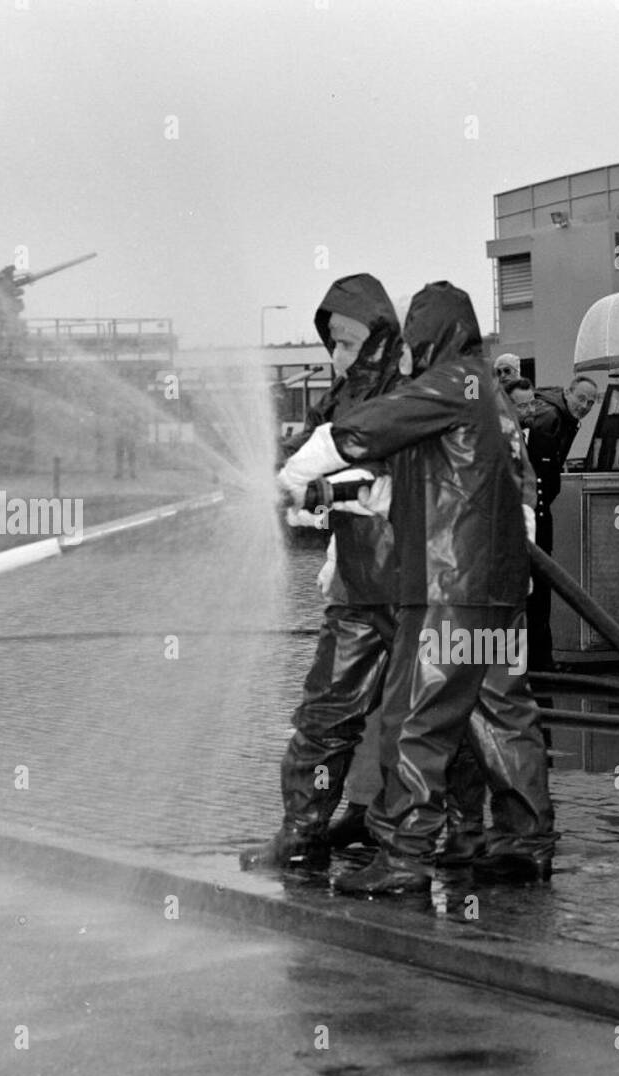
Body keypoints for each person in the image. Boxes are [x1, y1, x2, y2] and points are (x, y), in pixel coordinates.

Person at [280, 282, 556, 897]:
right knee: (501, 715)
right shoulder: (485, 396)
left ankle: (404, 857)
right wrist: (334, 496)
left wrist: (300, 468)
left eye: (411, 341)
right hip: (494, 593)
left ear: (433, 336)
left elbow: (364, 432)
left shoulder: (453, 382)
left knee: (416, 720)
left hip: (447, 587)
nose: (403, 355)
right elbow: (414, 483)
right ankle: (524, 843)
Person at [239, 273, 407, 872]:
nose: (336, 355)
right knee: (326, 712)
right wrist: (270, 479)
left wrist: (313, 489)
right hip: (359, 586)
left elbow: (381, 474)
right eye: (332, 342)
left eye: (348, 342)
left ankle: (419, 840)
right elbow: (308, 453)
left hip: (417, 587)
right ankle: (303, 832)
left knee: (425, 721)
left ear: (379, 340)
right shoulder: (339, 399)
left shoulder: (409, 398)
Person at [523, 374, 598, 669]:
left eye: (590, 402)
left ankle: (537, 657)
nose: (585, 406)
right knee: (538, 587)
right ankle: (539, 659)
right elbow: (541, 469)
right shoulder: (552, 417)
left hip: (533, 507)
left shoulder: (557, 414)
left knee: (538, 587)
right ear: (568, 392)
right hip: (534, 510)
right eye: (581, 399)